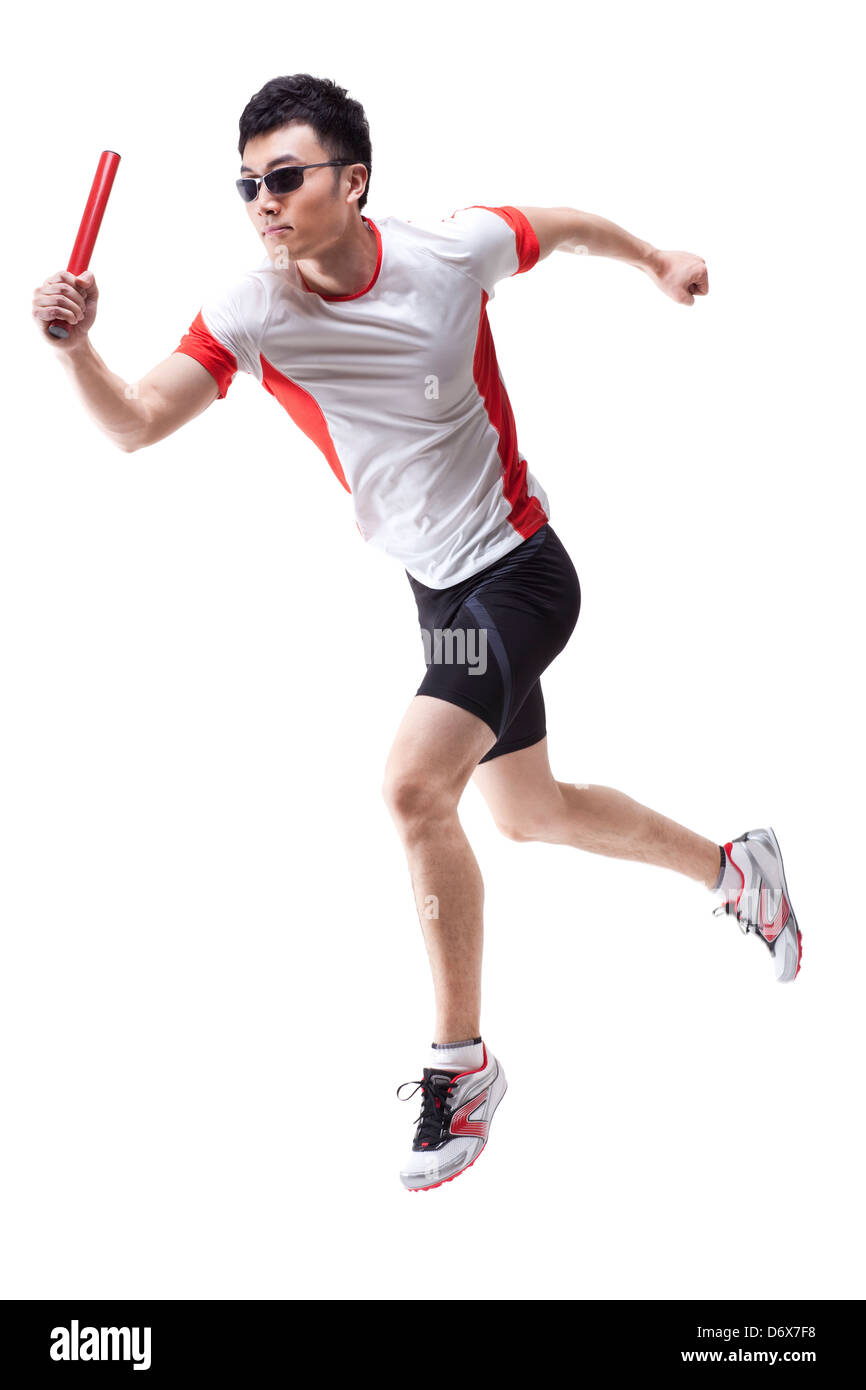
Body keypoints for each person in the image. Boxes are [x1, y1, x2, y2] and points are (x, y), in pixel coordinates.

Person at [32, 73, 803, 1194]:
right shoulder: (252, 308)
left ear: (352, 182)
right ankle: (737, 871)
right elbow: (137, 425)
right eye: (247, 183)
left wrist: (652, 256)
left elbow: (559, 225)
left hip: (523, 573)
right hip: (442, 598)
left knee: (408, 787)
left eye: (285, 177)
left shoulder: (448, 252)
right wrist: (75, 352)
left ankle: (462, 1063)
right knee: (529, 811)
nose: (263, 201)